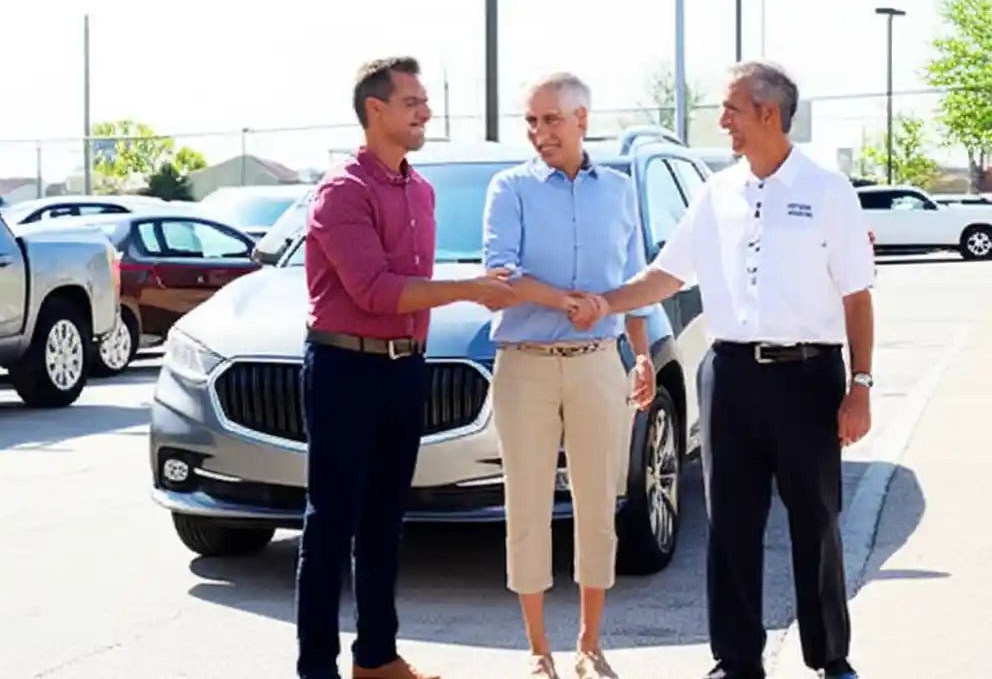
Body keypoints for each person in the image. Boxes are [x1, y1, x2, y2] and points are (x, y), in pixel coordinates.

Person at [568, 60, 873, 679]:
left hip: (808, 377)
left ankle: (830, 656)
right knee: (731, 524)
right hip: (730, 377)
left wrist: (860, 385)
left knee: (816, 520)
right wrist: (609, 301)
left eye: (731, 108)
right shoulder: (717, 191)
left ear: (768, 112)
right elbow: (668, 273)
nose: (723, 121)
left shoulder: (827, 190)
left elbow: (857, 296)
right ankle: (736, 660)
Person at [296, 56, 517, 679]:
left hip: (404, 371)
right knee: (331, 521)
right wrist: (469, 289)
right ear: (376, 110)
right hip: (345, 370)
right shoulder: (343, 191)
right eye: (413, 101)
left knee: (386, 518)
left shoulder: (420, 189)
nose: (426, 111)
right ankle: (316, 668)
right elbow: (375, 290)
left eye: (424, 101)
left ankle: (377, 658)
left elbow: (407, 291)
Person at [482, 71, 656, 679]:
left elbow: (633, 280)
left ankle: (589, 645)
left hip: (596, 367)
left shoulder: (621, 190)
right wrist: (567, 303)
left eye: (550, 119)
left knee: (597, 505)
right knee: (525, 506)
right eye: (530, 121)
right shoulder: (509, 187)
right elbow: (500, 277)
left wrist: (640, 353)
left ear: (582, 118)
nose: (538, 132)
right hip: (524, 368)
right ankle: (537, 651)